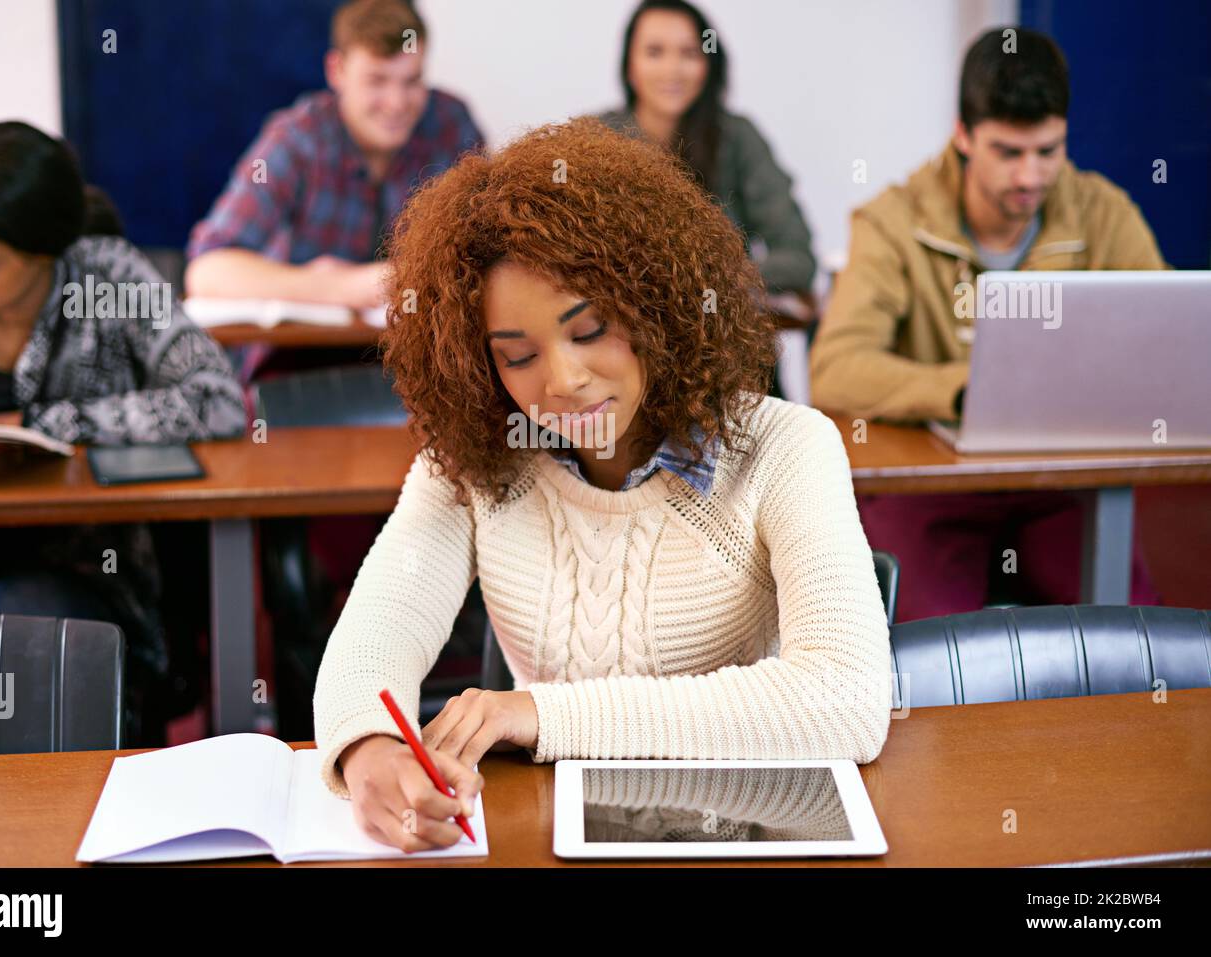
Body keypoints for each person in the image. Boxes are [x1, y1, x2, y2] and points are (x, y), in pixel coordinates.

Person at [313, 117, 891, 853]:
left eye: (590, 332)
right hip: (546, 837)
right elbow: (373, 638)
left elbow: (846, 699)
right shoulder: (472, 458)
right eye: (517, 356)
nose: (563, 380)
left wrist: (541, 713)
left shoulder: (786, 446)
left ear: (659, 305)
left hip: (742, 833)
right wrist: (368, 750)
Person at [808, 27, 1166, 622]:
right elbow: (835, 368)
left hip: (1061, 487)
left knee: (1137, 631)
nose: (1030, 177)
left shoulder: (1104, 212)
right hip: (930, 488)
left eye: (1048, 151)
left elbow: (1165, 337)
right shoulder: (891, 222)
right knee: (925, 659)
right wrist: (966, 390)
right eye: (1008, 152)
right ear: (964, 136)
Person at [0, 120, 246, 741]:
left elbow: (217, 400)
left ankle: (37, 829)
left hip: (83, 567)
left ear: (44, 254)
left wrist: (47, 425)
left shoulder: (106, 280)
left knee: (15, 624)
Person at [184, 0, 484, 379]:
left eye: (412, 82)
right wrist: (344, 287)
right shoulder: (297, 138)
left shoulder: (452, 126)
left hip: (421, 360)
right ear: (337, 71)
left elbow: (487, 256)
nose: (396, 104)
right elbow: (207, 271)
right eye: (377, 81)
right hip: (300, 365)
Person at [595, 0, 816, 297]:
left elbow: (797, 257)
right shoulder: (595, 139)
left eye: (689, 53)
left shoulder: (737, 137)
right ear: (630, 67)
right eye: (654, 52)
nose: (673, 70)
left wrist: (720, 279)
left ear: (708, 64)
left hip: (716, 324)